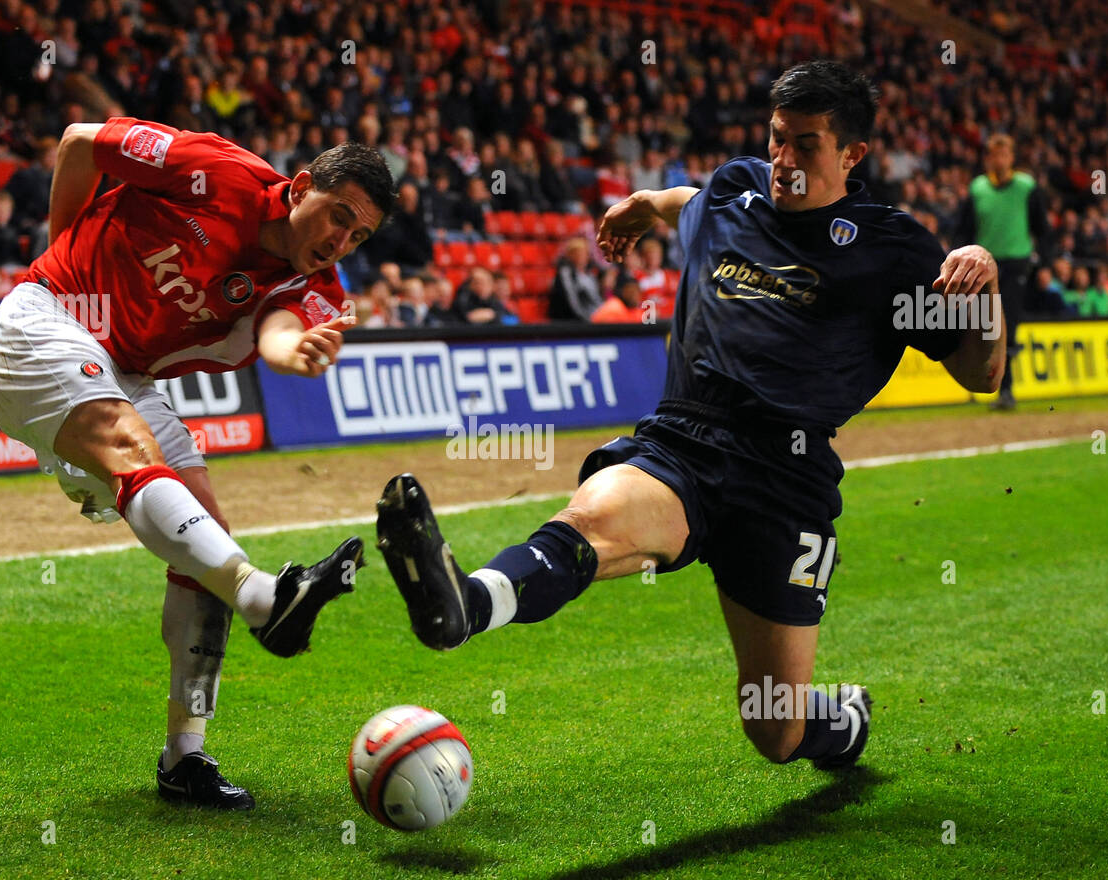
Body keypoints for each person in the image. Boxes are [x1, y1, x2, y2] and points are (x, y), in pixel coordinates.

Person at [375, 61, 1004, 775]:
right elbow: (694, 199)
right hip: (687, 441)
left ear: (853, 155)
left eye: (806, 145)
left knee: (775, 730)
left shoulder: (894, 249)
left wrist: (984, 280)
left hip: (786, 479)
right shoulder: (739, 190)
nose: (784, 160)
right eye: (777, 138)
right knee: (591, 520)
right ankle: (467, 603)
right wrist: (645, 202)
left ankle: (841, 720)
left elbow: (982, 374)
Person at [0, 118, 394, 810]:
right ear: (299, 190)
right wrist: (60, 250)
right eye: (338, 218)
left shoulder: (316, 290)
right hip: (44, 321)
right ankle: (265, 598)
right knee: (137, 456)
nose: (339, 243)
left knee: (206, 546)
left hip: (127, 373)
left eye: (358, 237)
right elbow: (80, 142)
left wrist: (294, 356)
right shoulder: (214, 170)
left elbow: (282, 331)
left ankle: (185, 757)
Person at [954, 133, 1048, 410]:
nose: (998, 160)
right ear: (988, 159)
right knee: (985, 327)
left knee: (1009, 325)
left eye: (1003, 155)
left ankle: (1006, 390)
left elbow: (1042, 229)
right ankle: (984, 386)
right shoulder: (978, 189)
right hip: (983, 266)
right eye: (994, 155)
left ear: (1011, 158)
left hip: (1016, 265)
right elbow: (965, 230)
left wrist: (1044, 265)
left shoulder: (1027, 187)